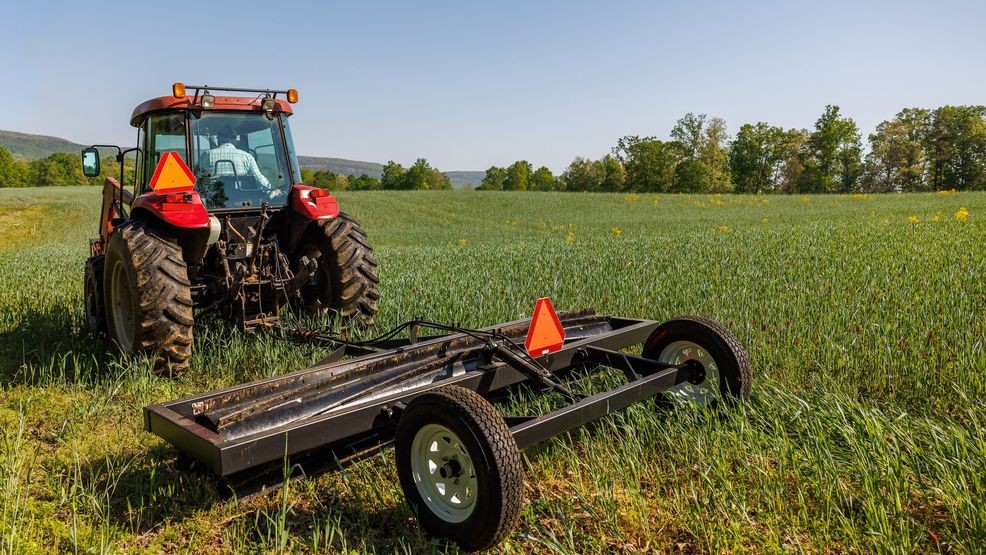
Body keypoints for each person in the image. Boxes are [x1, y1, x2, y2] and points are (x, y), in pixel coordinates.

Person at [200, 126, 281, 198]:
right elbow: (258, 178)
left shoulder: (207, 155)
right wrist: (272, 192)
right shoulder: (247, 156)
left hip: (213, 200)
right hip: (241, 200)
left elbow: (198, 177)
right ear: (234, 139)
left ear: (220, 139)